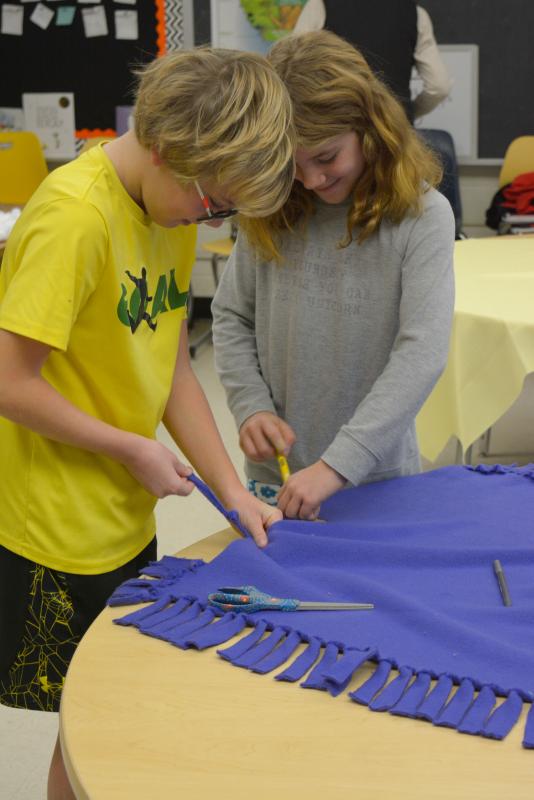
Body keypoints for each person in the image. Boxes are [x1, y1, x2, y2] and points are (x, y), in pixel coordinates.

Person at [0, 47, 294, 799]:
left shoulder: (173, 205)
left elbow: (168, 367)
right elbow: (8, 382)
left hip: (120, 515)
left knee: (111, 710)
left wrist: (233, 492)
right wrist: (129, 447)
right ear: (166, 151)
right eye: (212, 202)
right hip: (52, 531)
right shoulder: (73, 219)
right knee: (84, 720)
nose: (212, 216)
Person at [212, 30, 455, 522]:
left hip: (374, 478)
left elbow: (422, 353)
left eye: (326, 157)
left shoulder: (423, 216)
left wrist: (337, 466)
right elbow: (232, 315)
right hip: (273, 479)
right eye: (291, 165)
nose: (312, 180)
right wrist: (251, 407)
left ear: (371, 127)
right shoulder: (272, 207)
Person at [294, 0, 452, 120]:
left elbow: (293, 66)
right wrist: (407, 112)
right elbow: (439, 86)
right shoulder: (416, 13)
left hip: (339, 131)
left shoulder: (320, 5)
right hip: (397, 135)